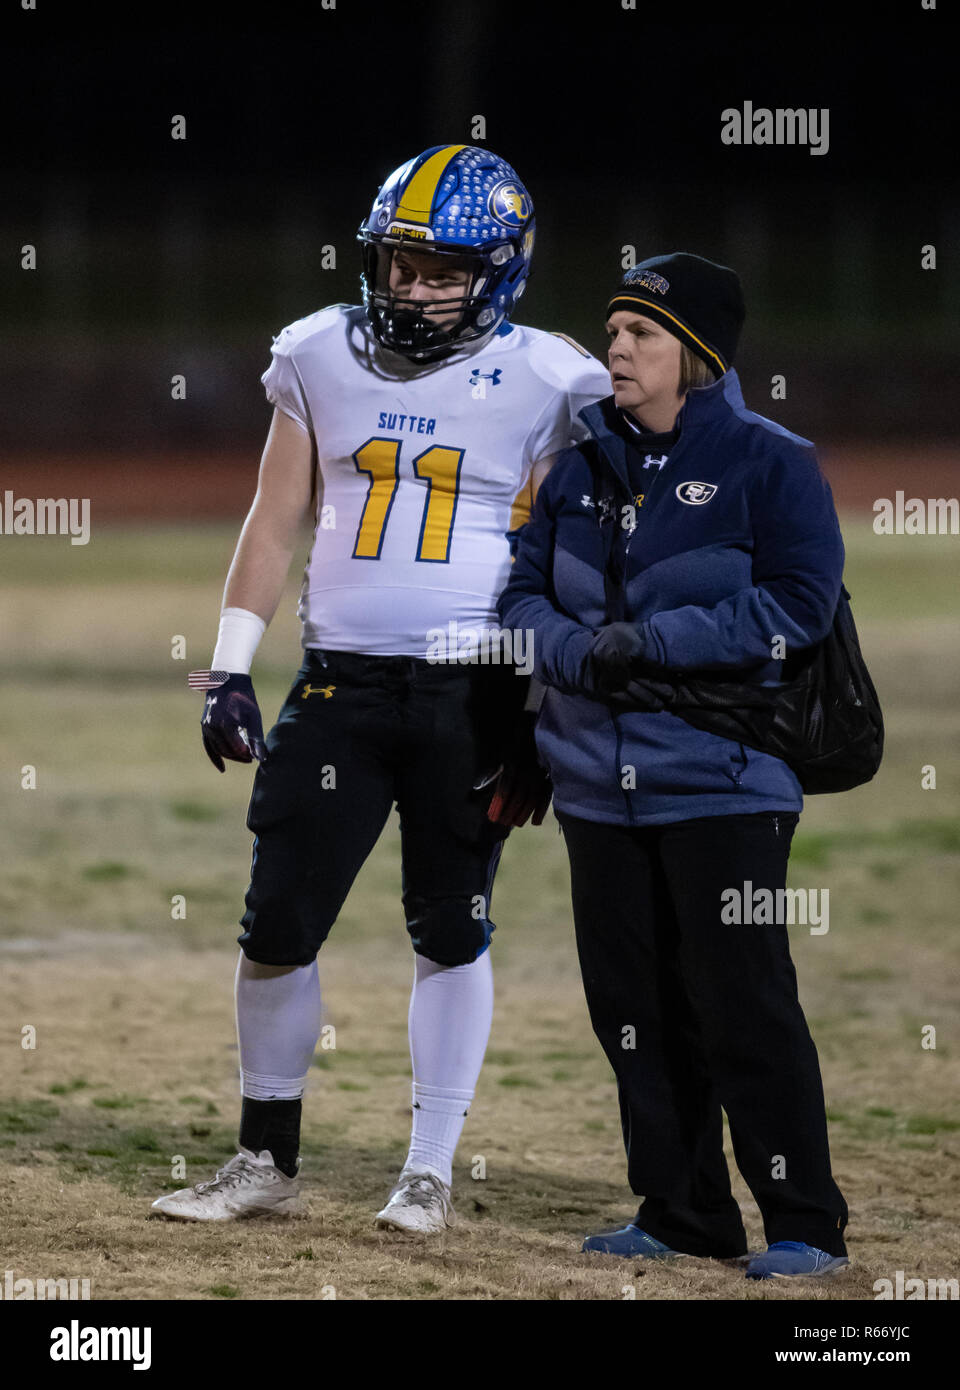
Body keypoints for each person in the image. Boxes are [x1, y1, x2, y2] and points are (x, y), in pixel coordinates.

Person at [150, 144, 609, 1231]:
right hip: (341, 683)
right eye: (397, 263)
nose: (409, 287)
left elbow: (572, 558)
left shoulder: (555, 378)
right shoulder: (318, 352)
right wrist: (230, 660)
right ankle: (264, 1158)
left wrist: (544, 710)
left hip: (475, 689)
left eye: (439, 268)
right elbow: (276, 514)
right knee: (276, 921)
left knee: (451, 925)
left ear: (500, 269)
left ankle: (429, 1167)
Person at [497, 253, 851, 1279]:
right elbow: (523, 597)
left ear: (695, 356)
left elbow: (797, 604)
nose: (617, 349)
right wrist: (573, 653)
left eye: (641, 335)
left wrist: (652, 645)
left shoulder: (769, 461)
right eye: (612, 331)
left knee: (743, 1005)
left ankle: (804, 1223)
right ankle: (683, 1208)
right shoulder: (578, 464)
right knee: (634, 1014)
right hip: (597, 791)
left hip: (723, 780)